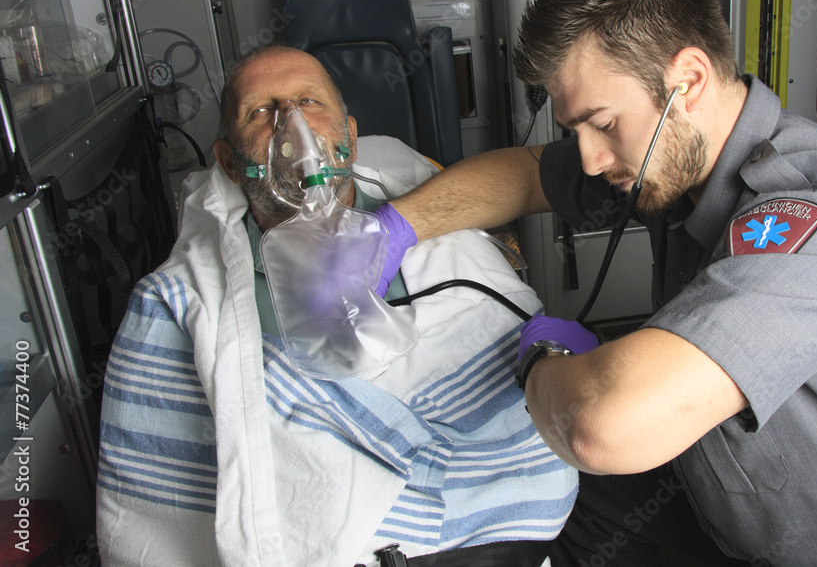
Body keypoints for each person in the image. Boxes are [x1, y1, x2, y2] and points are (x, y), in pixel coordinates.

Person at [373, 0, 817, 566]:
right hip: (722, 501)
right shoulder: (671, 157)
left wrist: (539, 361)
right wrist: (391, 228)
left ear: (689, 81)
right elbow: (524, 174)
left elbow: (602, 426)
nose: (589, 157)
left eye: (602, 123)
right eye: (575, 130)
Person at [95, 46, 577, 567]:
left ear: (347, 136)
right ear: (231, 162)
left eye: (308, 101)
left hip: (506, 538)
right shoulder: (183, 303)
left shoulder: (423, 215)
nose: (292, 126)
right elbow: (157, 519)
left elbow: (536, 176)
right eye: (261, 112)